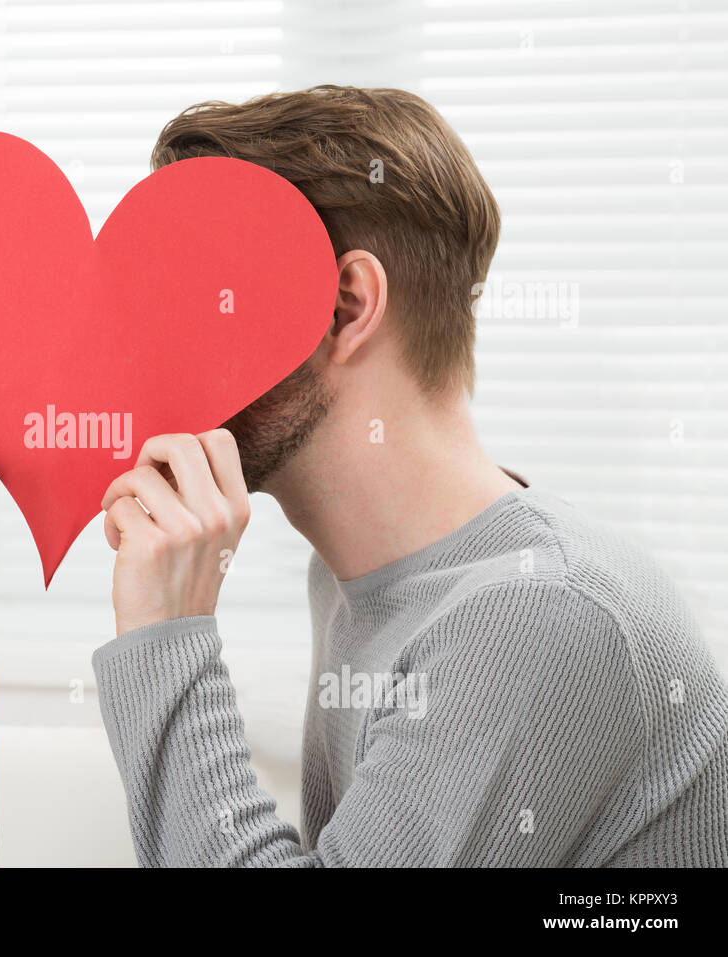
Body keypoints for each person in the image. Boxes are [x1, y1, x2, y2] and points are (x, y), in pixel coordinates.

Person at [93, 85, 728, 866]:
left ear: (347, 305)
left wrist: (167, 637)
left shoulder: (538, 615)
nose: (151, 348)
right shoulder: (357, 580)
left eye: (201, 297)